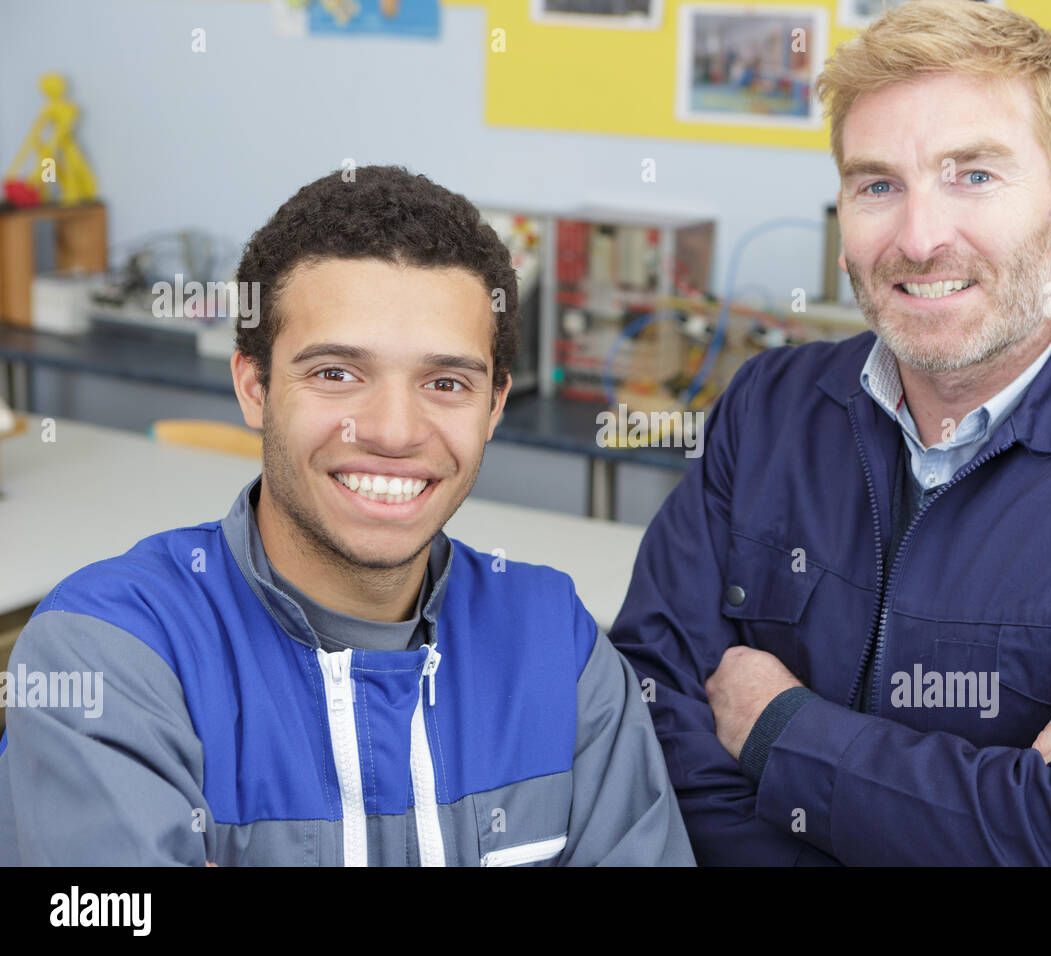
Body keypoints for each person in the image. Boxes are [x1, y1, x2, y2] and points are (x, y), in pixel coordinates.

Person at [609, 0, 1051, 865]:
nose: (921, 237)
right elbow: (641, 714)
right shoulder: (767, 407)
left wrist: (781, 730)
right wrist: (994, 813)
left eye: (974, 175)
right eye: (877, 185)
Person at [0, 165, 694, 867]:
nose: (393, 431)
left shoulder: (558, 646)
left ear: (495, 406)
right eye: (336, 373)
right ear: (254, 386)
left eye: (446, 382)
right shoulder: (107, 656)